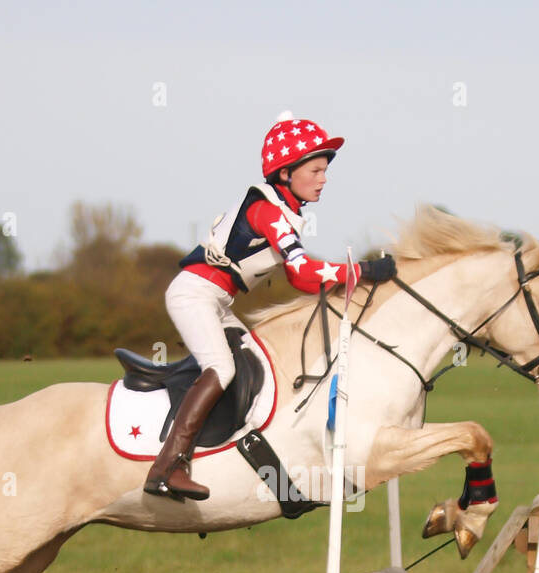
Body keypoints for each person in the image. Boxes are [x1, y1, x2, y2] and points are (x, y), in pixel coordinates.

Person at [144, 112, 398, 501]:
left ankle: (259, 465)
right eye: (315, 170)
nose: (323, 179)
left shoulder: (280, 211)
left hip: (215, 298)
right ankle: (167, 467)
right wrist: (361, 271)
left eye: (324, 170)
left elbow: (301, 275)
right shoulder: (269, 212)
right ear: (285, 174)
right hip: (195, 294)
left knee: (256, 363)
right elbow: (303, 273)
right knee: (223, 367)